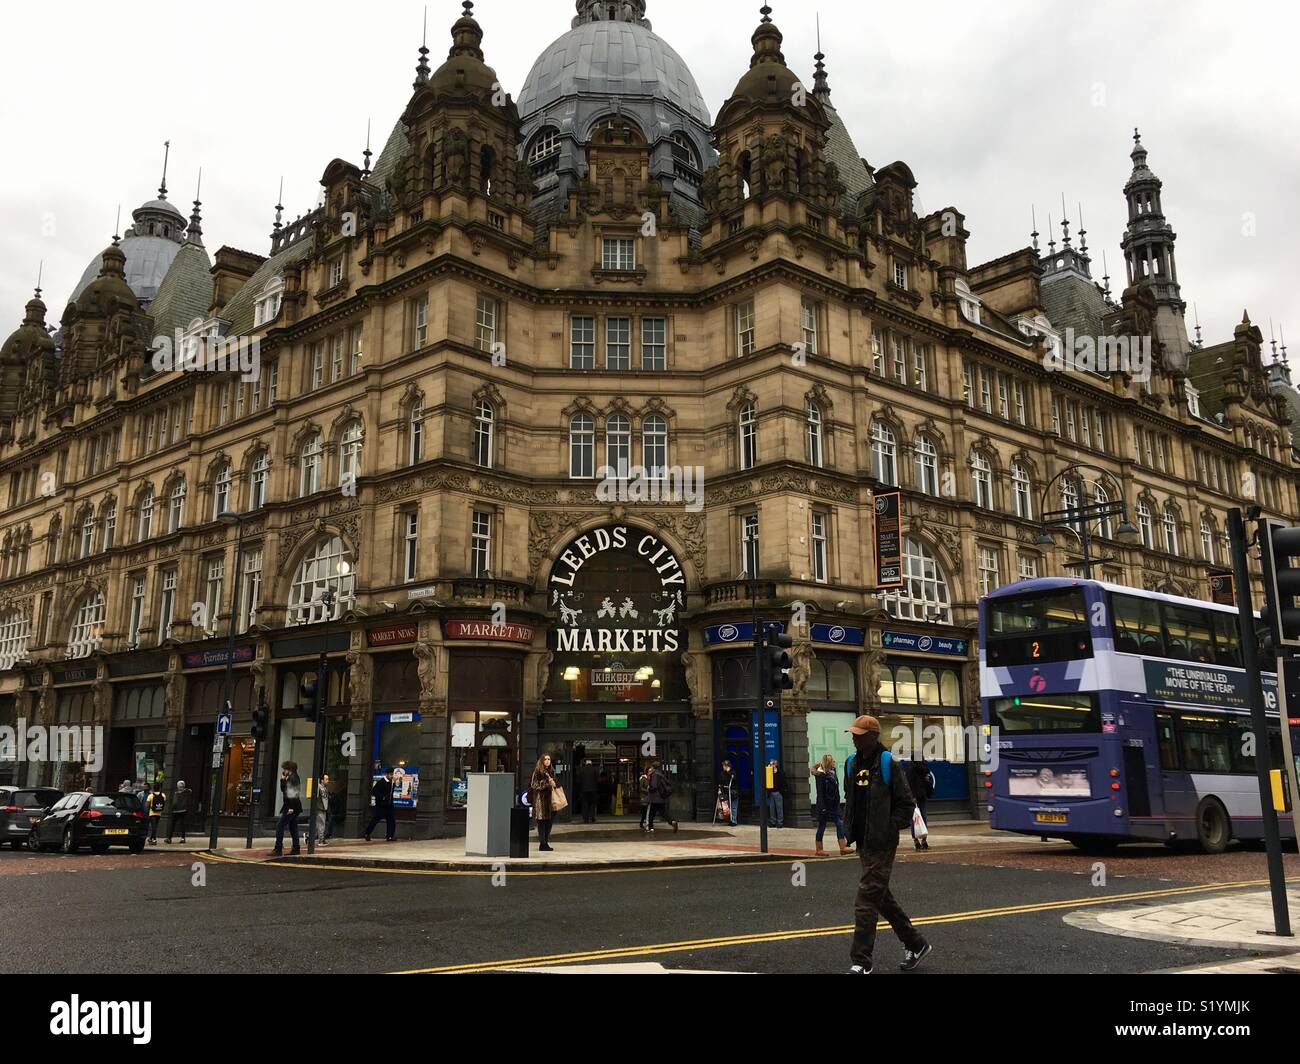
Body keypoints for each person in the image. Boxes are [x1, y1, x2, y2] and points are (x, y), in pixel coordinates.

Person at [843, 715, 931, 974]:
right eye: (853, 733)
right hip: (863, 840)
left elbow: (907, 803)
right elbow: (851, 799)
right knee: (880, 897)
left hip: (882, 842)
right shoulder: (851, 763)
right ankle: (916, 944)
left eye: (859, 734)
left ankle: (861, 961)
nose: (854, 737)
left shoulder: (887, 763)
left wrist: (888, 827)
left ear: (873, 736)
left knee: (866, 899)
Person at [812, 754, 851, 856]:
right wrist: (822, 807)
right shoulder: (820, 776)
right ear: (829, 763)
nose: (834, 763)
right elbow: (820, 793)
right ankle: (819, 849)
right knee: (822, 825)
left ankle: (843, 847)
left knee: (839, 823)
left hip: (834, 805)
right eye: (833, 761)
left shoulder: (832, 773)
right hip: (825, 805)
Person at [271, 761, 303, 856]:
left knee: (279, 825)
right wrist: (283, 780)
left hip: (291, 806)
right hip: (294, 806)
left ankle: (278, 848)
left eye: (285, 769)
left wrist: (291, 808)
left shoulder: (293, 778)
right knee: (293, 827)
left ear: (289, 769)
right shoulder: (292, 777)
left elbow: (292, 793)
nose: (283, 771)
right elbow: (284, 790)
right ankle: (296, 848)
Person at [530, 753, 559, 851]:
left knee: (549, 823)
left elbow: (555, 784)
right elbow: (534, 785)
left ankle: (546, 842)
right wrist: (546, 783)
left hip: (550, 801)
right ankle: (542, 843)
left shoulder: (552, 771)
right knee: (542, 823)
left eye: (549, 759)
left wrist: (554, 784)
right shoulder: (538, 771)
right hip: (541, 801)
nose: (547, 761)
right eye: (545, 759)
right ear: (542, 761)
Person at [907, 757, 933, 851]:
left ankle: (924, 840)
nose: (923, 758)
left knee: (924, 818)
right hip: (915, 798)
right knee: (915, 819)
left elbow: (927, 782)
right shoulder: (911, 769)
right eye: (921, 757)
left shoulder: (924, 769)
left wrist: (928, 791)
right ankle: (916, 841)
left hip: (922, 796)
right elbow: (909, 784)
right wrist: (912, 797)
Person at [364, 768, 396, 842]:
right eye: (390, 774)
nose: (392, 776)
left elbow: (391, 793)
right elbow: (374, 791)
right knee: (375, 820)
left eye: (392, 774)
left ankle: (390, 836)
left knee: (391, 821)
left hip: (389, 806)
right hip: (381, 806)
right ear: (387, 774)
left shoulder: (392, 782)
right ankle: (367, 833)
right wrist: (382, 797)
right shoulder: (381, 782)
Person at [645, 761, 678, 833]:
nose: (651, 769)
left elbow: (653, 786)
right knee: (664, 813)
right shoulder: (661, 774)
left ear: (653, 767)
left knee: (651, 813)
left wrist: (649, 788)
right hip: (661, 798)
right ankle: (672, 822)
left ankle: (651, 828)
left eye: (651, 767)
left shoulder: (654, 775)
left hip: (654, 798)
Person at [577, 758, 599, 824]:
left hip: (584, 790)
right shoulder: (595, 769)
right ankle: (592, 817)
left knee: (585, 804)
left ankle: (585, 818)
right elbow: (597, 779)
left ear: (585, 763)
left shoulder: (581, 770)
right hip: (593, 790)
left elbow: (579, 780)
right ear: (591, 763)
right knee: (592, 804)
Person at [767, 759, 786, 828]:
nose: (771, 765)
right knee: (772, 808)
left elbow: (783, 782)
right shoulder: (769, 772)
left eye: (773, 764)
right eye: (771, 764)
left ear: (775, 765)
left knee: (779, 808)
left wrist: (782, 791)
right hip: (771, 792)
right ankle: (773, 821)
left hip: (778, 792)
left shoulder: (780, 772)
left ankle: (780, 822)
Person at [719, 759, 738, 826]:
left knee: (733, 807)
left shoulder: (732, 773)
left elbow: (733, 779)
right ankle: (730, 819)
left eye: (724, 766)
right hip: (727, 792)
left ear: (726, 766)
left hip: (733, 792)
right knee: (729, 807)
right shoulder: (724, 773)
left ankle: (734, 821)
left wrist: (729, 773)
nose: (723, 767)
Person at [316, 773, 333, 845]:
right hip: (320, 807)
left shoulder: (325, 788)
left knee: (321, 824)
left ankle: (321, 838)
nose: (328, 781)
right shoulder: (319, 787)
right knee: (321, 824)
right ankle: (321, 840)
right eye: (326, 779)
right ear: (322, 780)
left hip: (324, 808)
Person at [638, 765, 653, 830]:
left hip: (650, 796)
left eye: (651, 771)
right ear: (646, 771)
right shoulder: (643, 778)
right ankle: (642, 823)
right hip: (644, 796)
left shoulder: (652, 778)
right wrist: (647, 790)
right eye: (649, 771)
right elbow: (641, 788)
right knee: (644, 811)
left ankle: (646, 823)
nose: (650, 772)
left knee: (648, 811)